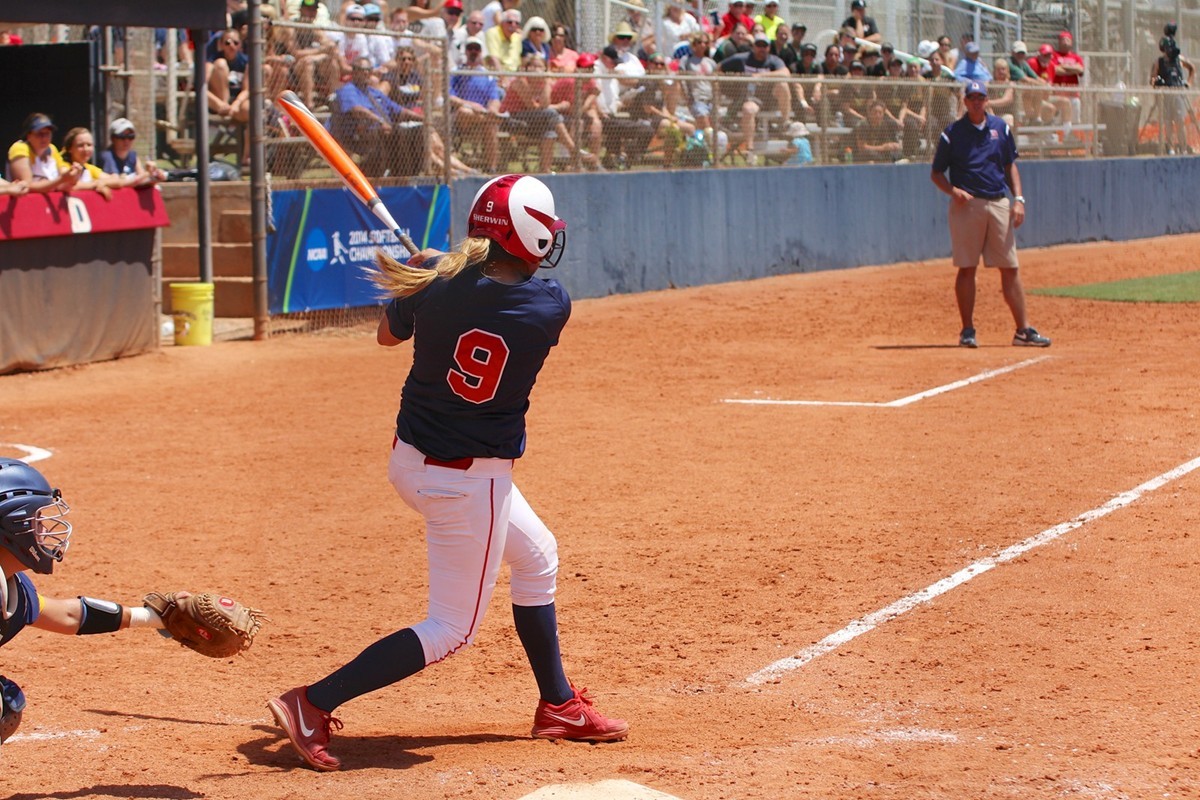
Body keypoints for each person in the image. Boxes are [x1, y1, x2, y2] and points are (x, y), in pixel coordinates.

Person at [267, 175, 628, 772]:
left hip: (412, 462)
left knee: (537, 555)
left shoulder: (436, 285)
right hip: (468, 482)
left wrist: (422, 283)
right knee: (453, 629)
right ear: (529, 238)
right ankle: (311, 702)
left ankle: (558, 704)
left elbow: (388, 336)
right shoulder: (547, 305)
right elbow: (490, 291)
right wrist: (438, 277)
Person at [0, 458, 183, 747]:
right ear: (13, 523)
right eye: (37, 520)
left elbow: (68, 616)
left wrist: (154, 618)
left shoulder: (11, 589)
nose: (45, 531)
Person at [930, 80, 1050, 349]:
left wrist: (1018, 199)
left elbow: (1010, 167)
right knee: (967, 268)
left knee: (1010, 267)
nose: (976, 102)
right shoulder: (952, 133)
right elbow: (936, 173)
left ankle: (1023, 331)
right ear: (965, 102)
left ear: (987, 100)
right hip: (967, 205)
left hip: (998, 202)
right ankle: (967, 330)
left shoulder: (1000, 129)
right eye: (971, 97)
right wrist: (953, 192)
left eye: (980, 97)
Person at [450, 37, 504, 172]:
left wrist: (492, 108)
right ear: (466, 51)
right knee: (465, 112)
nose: (473, 51)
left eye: (476, 49)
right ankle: (487, 118)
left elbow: (494, 98)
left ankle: (491, 169)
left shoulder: (487, 75)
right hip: (461, 118)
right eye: (470, 48)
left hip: (483, 119)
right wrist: (470, 105)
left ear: (481, 52)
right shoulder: (456, 71)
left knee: (490, 123)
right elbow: (450, 97)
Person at [5, 113, 82, 194]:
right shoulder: (19, 149)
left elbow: (64, 181)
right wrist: (61, 179)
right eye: (40, 134)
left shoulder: (52, 149)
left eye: (47, 133)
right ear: (28, 135)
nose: (44, 138)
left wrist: (73, 177)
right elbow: (26, 186)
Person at [1151, 33, 1196, 154]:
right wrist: (1157, 83)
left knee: (1180, 121)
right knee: (1167, 122)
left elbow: (1192, 68)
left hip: (1178, 94)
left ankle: (1183, 147)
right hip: (1165, 95)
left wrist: (1189, 82)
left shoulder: (1179, 59)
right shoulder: (1159, 62)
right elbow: (1153, 78)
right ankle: (1170, 147)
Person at [98, 118, 167, 184]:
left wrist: (156, 176)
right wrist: (148, 173)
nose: (127, 141)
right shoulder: (107, 156)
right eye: (122, 137)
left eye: (131, 136)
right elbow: (117, 182)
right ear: (112, 138)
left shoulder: (132, 155)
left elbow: (142, 178)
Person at [485, 7, 523, 73]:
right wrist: (504, 78)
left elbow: (519, 63)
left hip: (514, 75)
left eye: (516, 23)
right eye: (509, 22)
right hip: (496, 74)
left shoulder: (517, 37)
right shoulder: (492, 33)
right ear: (502, 23)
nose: (513, 25)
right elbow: (493, 59)